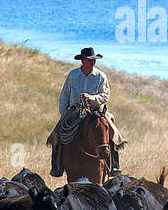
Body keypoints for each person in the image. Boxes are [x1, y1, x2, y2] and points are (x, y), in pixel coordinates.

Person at [48, 47, 124, 177]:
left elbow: (105, 96)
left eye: (93, 60)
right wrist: (64, 113)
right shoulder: (73, 75)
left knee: (112, 131)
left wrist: (92, 98)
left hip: (96, 111)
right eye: (90, 60)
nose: (92, 63)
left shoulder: (100, 76)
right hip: (74, 110)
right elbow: (64, 96)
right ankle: (57, 165)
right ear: (83, 60)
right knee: (57, 133)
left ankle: (114, 165)